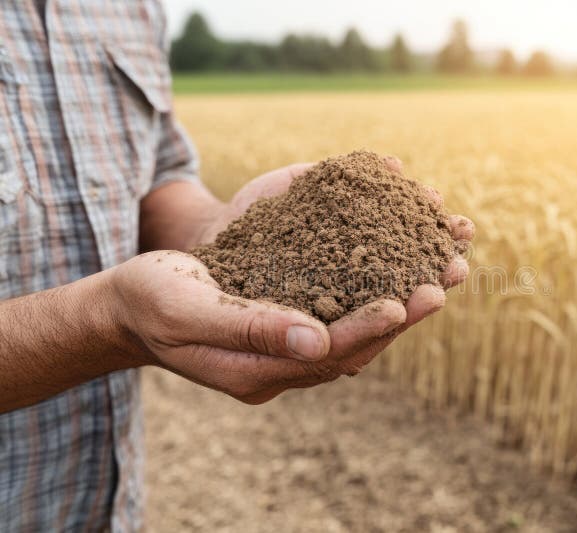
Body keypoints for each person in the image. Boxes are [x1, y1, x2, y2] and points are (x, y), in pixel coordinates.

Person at [0, 2, 474, 531]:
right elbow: (109, 315)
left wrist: (216, 237)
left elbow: (157, 176)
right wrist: (107, 321)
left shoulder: (130, 8)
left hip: (110, 508)